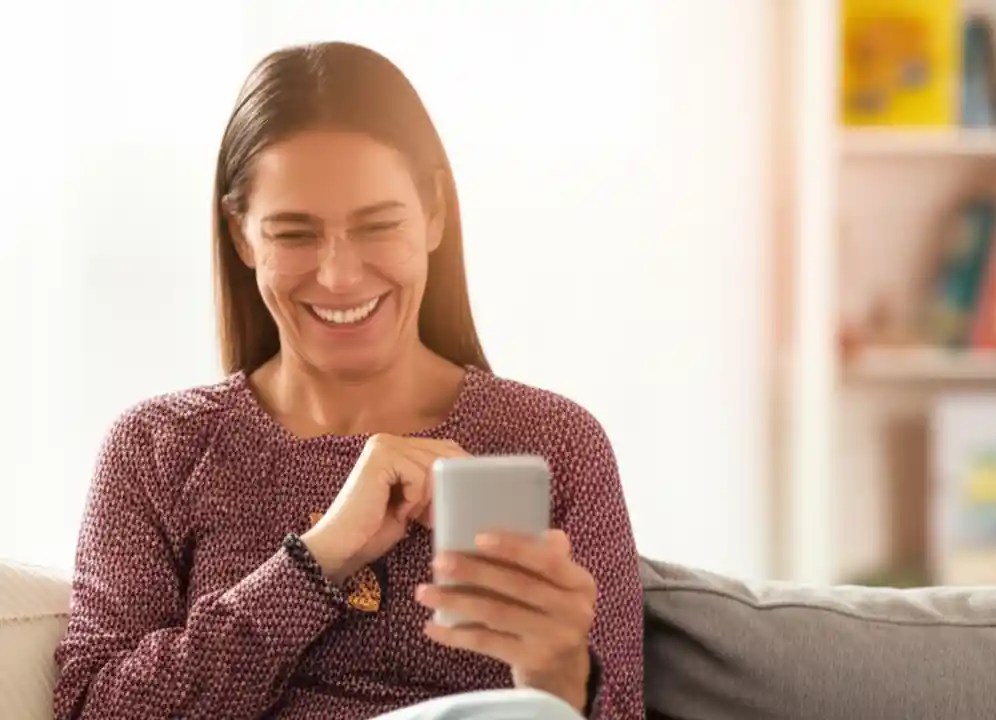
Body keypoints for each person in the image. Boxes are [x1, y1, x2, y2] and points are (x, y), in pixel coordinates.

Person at [52, 41, 644, 719]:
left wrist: (561, 672)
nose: (338, 276)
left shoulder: (556, 443)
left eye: (377, 225)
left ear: (434, 216)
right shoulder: (158, 448)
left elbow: (618, 709)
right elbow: (91, 709)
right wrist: (317, 560)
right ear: (242, 236)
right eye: (294, 234)